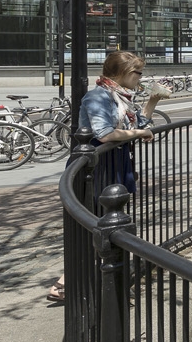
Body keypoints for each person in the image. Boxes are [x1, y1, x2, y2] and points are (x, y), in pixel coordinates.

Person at [47, 50, 164, 303]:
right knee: (96, 224)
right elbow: (105, 134)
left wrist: (153, 101)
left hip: (113, 163)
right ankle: (67, 283)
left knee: (110, 222)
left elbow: (138, 124)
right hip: (97, 167)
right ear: (121, 72)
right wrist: (137, 135)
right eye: (137, 72)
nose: (140, 77)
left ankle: (110, 284)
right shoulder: (98, 96)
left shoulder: (119, 95)